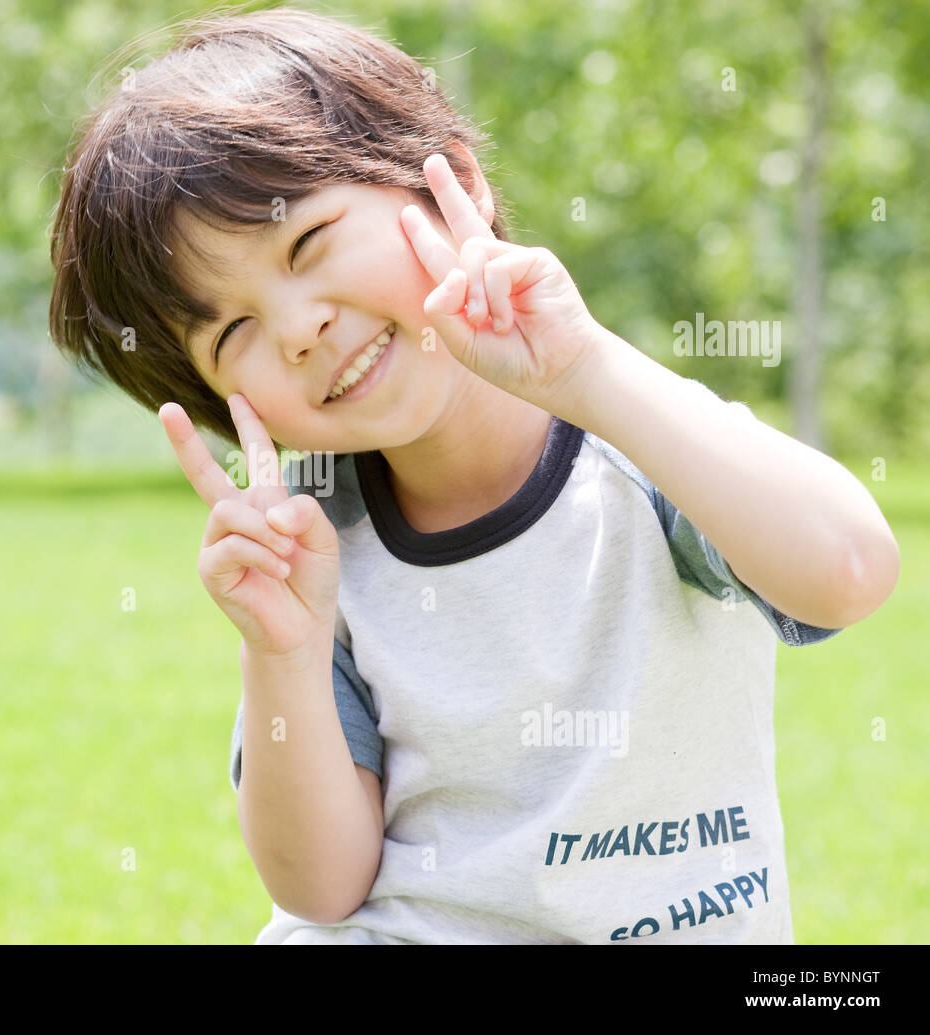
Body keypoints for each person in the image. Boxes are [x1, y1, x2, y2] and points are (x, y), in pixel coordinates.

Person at [47, 6, 900, 944]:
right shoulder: (315, 540)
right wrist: (282, 651)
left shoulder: (642, 443)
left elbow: (849, 572)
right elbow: (322, 888)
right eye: (233, 332)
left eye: (309, 242)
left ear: (453, 184)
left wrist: (587, 374)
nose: (297, 328)